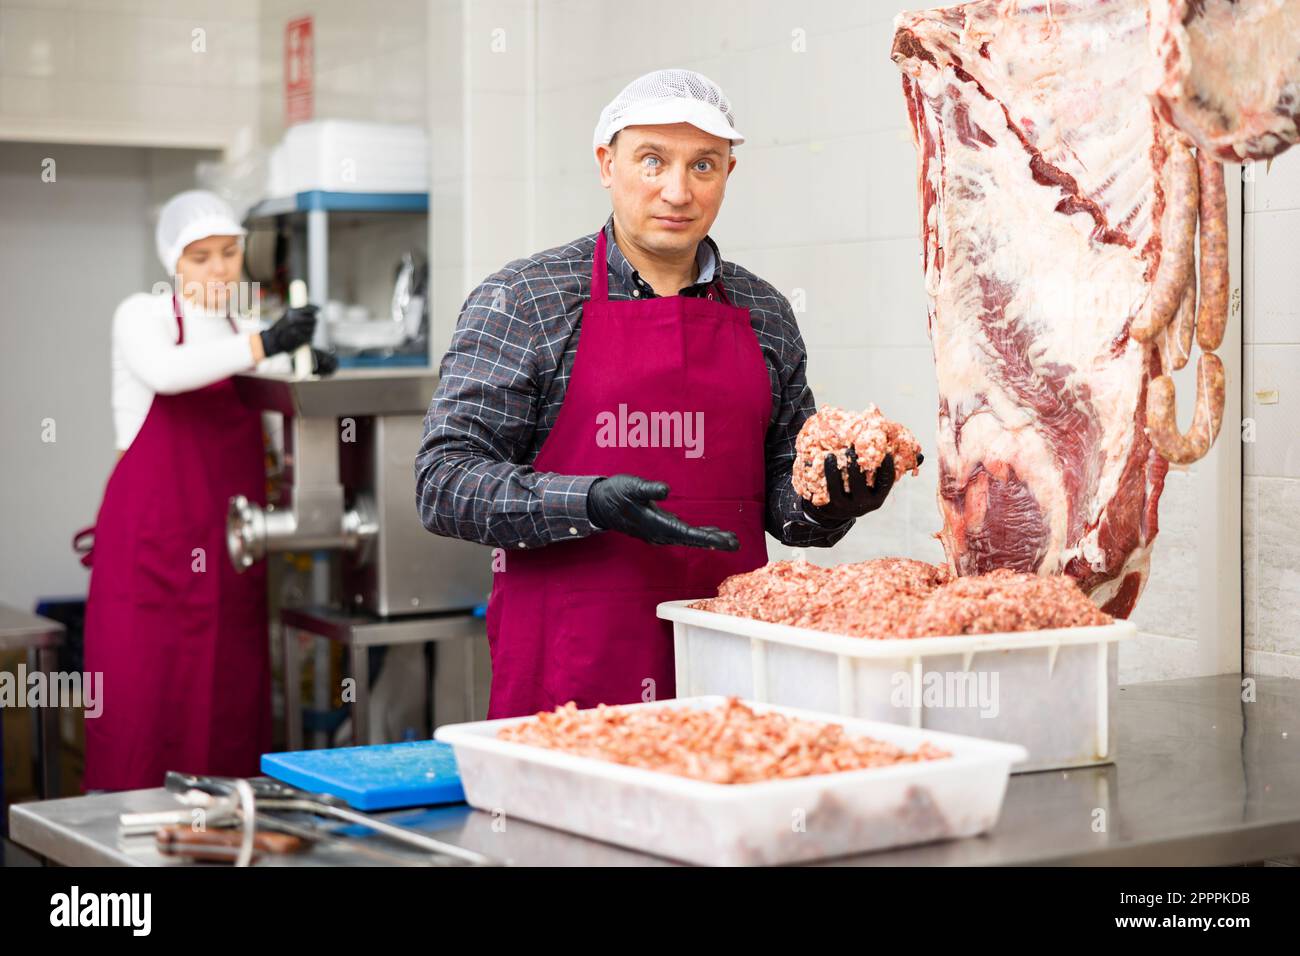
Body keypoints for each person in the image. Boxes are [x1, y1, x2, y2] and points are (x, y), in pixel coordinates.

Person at [416, 70, 906, 719]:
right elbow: (443, 482)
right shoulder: (526, 301)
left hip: (731, 677)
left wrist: (830, 502)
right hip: (570, 685)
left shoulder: (764, 312)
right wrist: (586, 501)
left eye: (703, 165)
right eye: (653, 160)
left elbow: (784, 505)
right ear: (606, 163)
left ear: (729, 170)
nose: (678, 191)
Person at [79, 189, 335, 790]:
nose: (219, 268)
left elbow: (277, 376)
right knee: (140, 707)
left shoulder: (238, 324)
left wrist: (308, 362)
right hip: (147, 556)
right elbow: (170, 373)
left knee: (223, 709)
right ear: (173, 260)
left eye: (228, 253)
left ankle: (224, 836)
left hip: (225, 558)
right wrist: (268, 345)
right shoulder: (141, 316)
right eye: (201, 257)